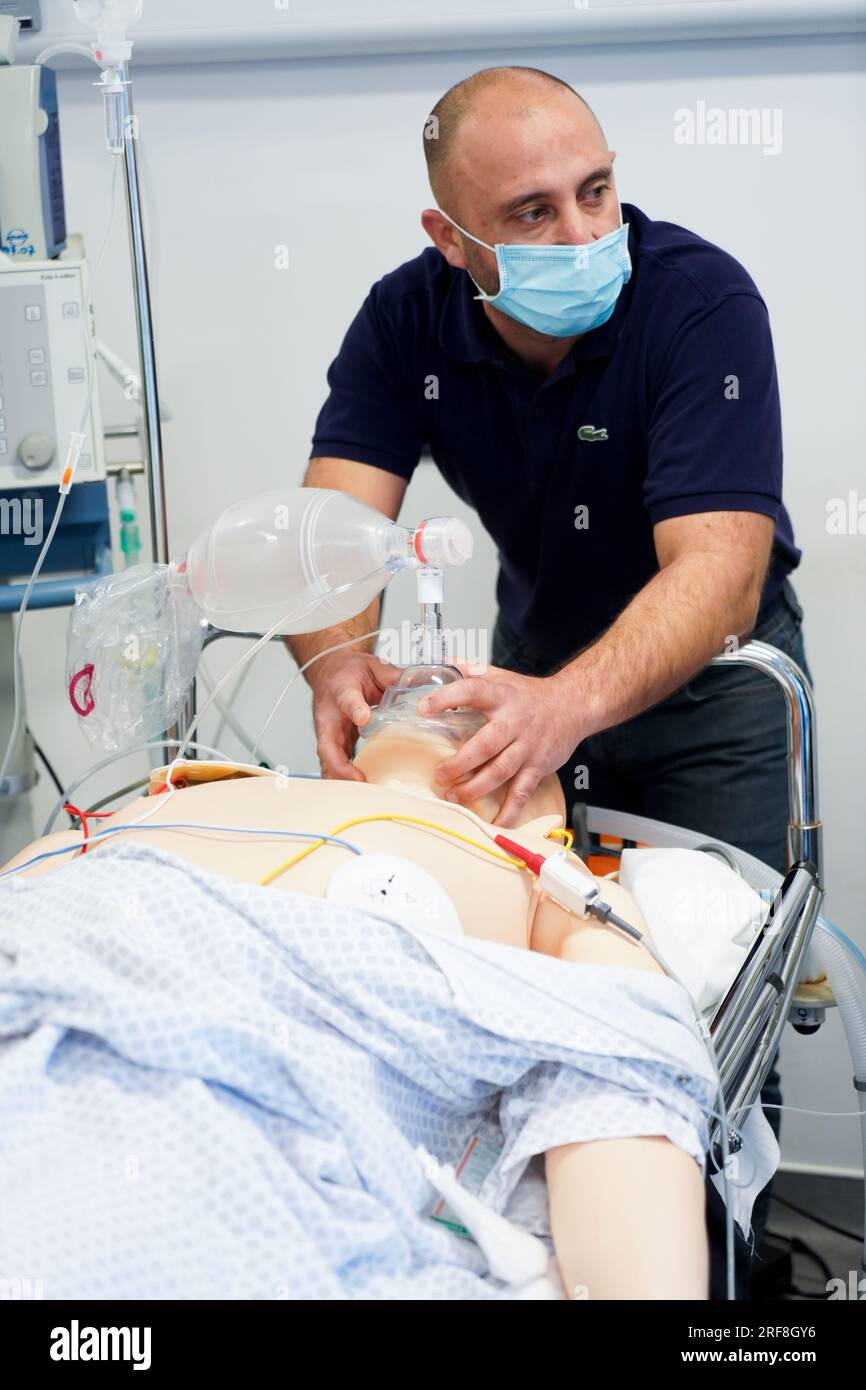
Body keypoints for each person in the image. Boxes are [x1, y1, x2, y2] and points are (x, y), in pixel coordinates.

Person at [287, 65, 809, 1296]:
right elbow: (329, 538)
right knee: (522, 1006)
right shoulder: (404, 323)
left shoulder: (696, 303)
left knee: (703, 1030)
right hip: (530, 688)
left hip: (709, 698)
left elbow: (717, 570)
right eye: (530, 215)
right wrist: (333, 664)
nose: (583, 235)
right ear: (449, 240)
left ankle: (734, 1272)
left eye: (597, 192)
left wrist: (564, 705)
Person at [2, 717, 713, 1300]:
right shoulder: (161, 801)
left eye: (486, 732)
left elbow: (621, 1064)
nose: (441, 704)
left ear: (544, 819)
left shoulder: (543, 882)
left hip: (232, 1096)